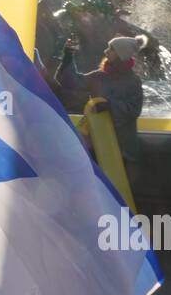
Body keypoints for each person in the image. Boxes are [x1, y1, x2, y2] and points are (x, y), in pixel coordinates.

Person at [59, 35, 147, 188]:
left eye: (111, 49)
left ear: (121, 55)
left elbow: (134, 109)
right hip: (96, 143)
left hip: (123, 148)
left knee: (122, 190)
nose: (106, 51)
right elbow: (70, 81)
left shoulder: (133, 81)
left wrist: (110, 106)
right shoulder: (99, 76)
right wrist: (68, 55)